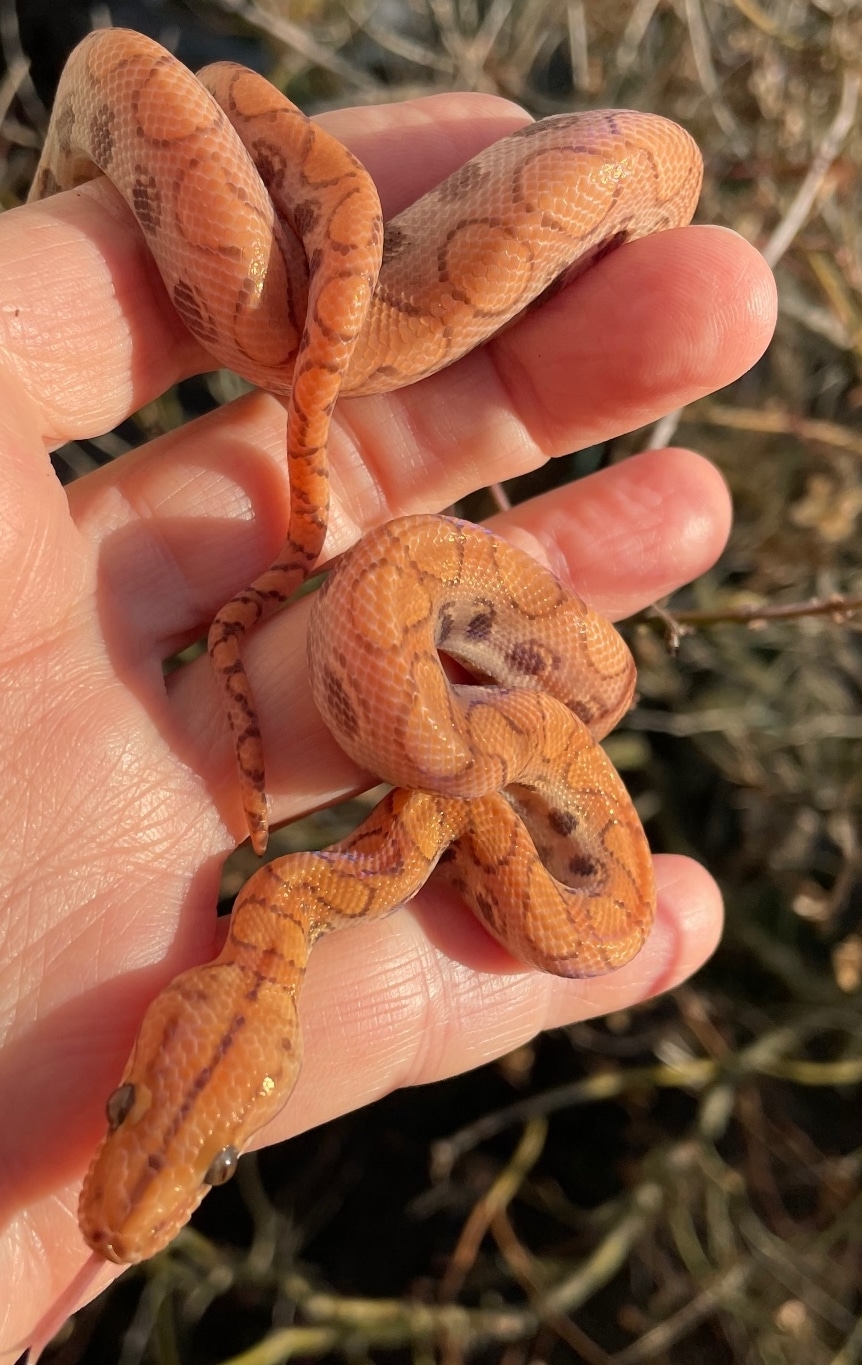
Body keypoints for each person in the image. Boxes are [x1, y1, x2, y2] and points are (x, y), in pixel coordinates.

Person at [0, 89, 775, 1353]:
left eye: (131, 1100)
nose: (136, 1128)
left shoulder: (399, 820)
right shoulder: (380, 840)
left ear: (154, 1045)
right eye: (194, 1158)